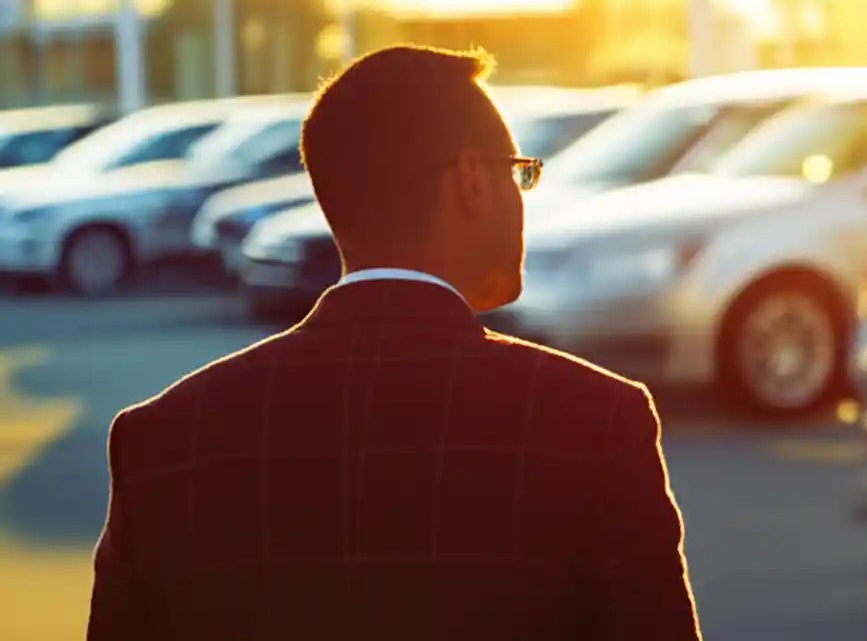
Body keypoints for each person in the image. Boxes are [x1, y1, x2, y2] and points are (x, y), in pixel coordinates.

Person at [88, 45, 701, 640]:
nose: (522, 195)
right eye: (519, 172)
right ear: (470, 180)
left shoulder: (162, 440)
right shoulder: (593, 424)